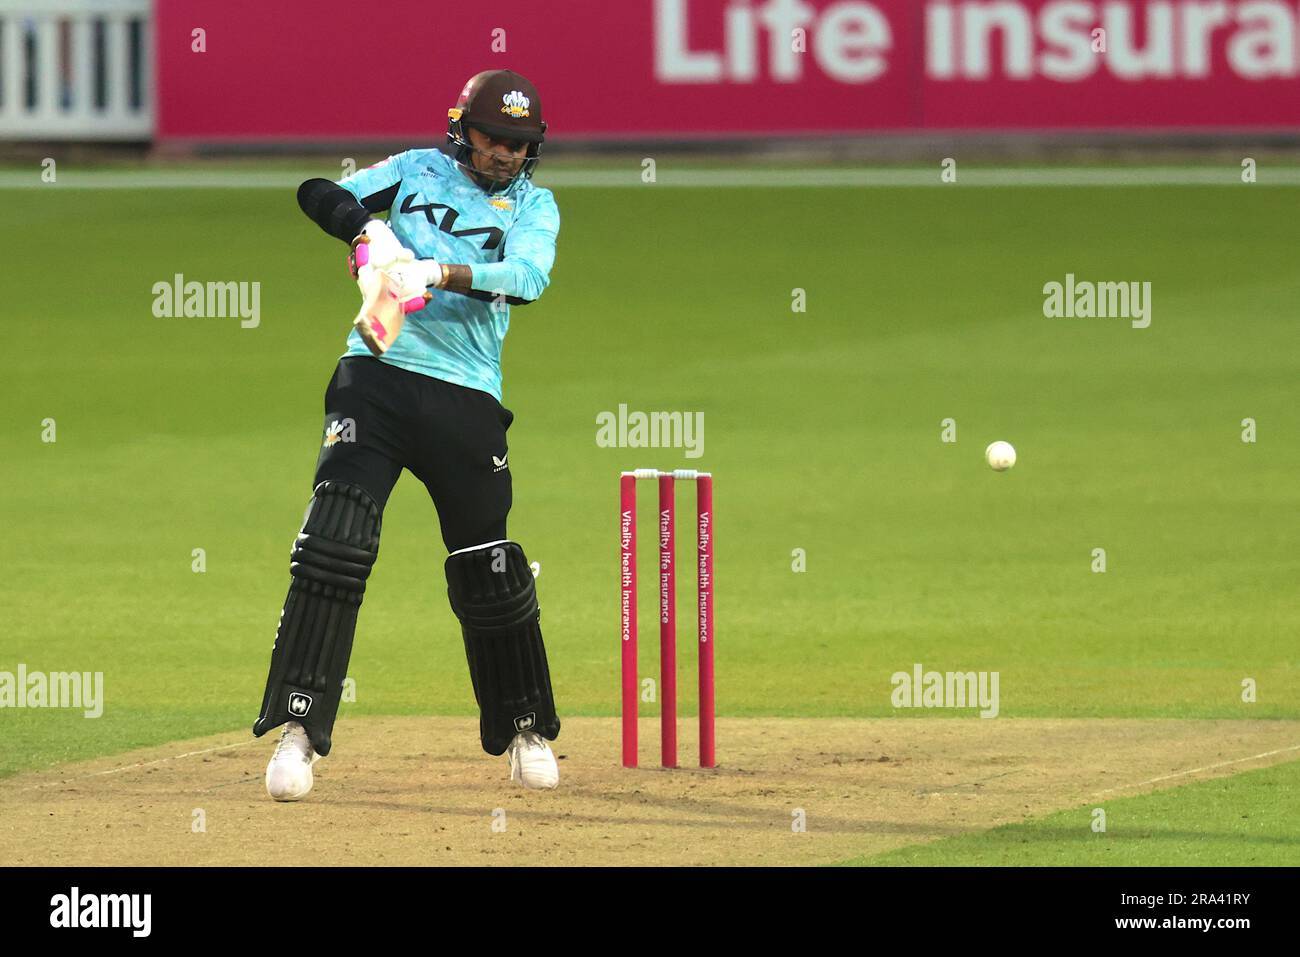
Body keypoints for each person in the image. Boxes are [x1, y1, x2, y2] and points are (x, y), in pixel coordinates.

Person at [252, 69, 562, 800]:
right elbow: (318, 191)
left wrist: (438, 270)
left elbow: (528, 277)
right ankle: (299, 731)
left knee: (487, 565)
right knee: (335, 538)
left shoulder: (536, 206)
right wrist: (368, 234)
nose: (505, 155)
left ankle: (525, 728)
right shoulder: (415, 170)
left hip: (466, 395)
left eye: (519, 145)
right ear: (462, 128)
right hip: (377, 375)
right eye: (493, 139)